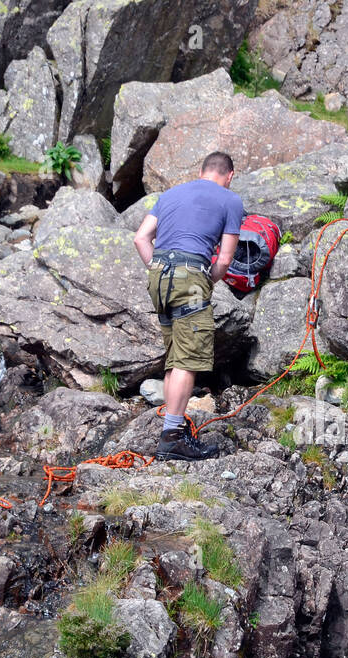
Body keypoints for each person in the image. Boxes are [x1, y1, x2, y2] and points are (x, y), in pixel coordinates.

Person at [134, 151, 245, 461]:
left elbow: (141, 238)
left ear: (201, 171)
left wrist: (158, 268)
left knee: (174, 357)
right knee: (188, 358)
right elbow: (224, 259)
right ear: (229, 175)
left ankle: (174, 429)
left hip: (158, 275)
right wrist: (206, 281)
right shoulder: (230, 200)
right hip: (192, 276)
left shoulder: (170, 194)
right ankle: (172, 437)